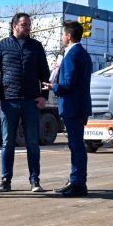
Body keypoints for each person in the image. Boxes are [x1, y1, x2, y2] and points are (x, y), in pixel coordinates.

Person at [0, 12, 51, 192]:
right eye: (24, 25)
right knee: (7, 142)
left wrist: (44, 97)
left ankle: (34, 181)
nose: (28, 27)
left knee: (32, 141)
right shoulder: (1, 46)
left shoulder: (36, 47)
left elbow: (44, 74)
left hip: (31, 102)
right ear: (14, 26)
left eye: (29, 24)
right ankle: (5, 181)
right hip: (9, 102)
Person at [42, 21, 93, 197]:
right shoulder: (83, 54)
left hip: (73, 107)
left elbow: (68, 83)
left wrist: (52, 87)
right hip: (80, 106)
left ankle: (78, 183)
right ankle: (75, 180)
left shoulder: (72, 55)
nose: (62, 37)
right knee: (76, 145)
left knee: (77, 146)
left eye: (63, 34)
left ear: (69, 36)